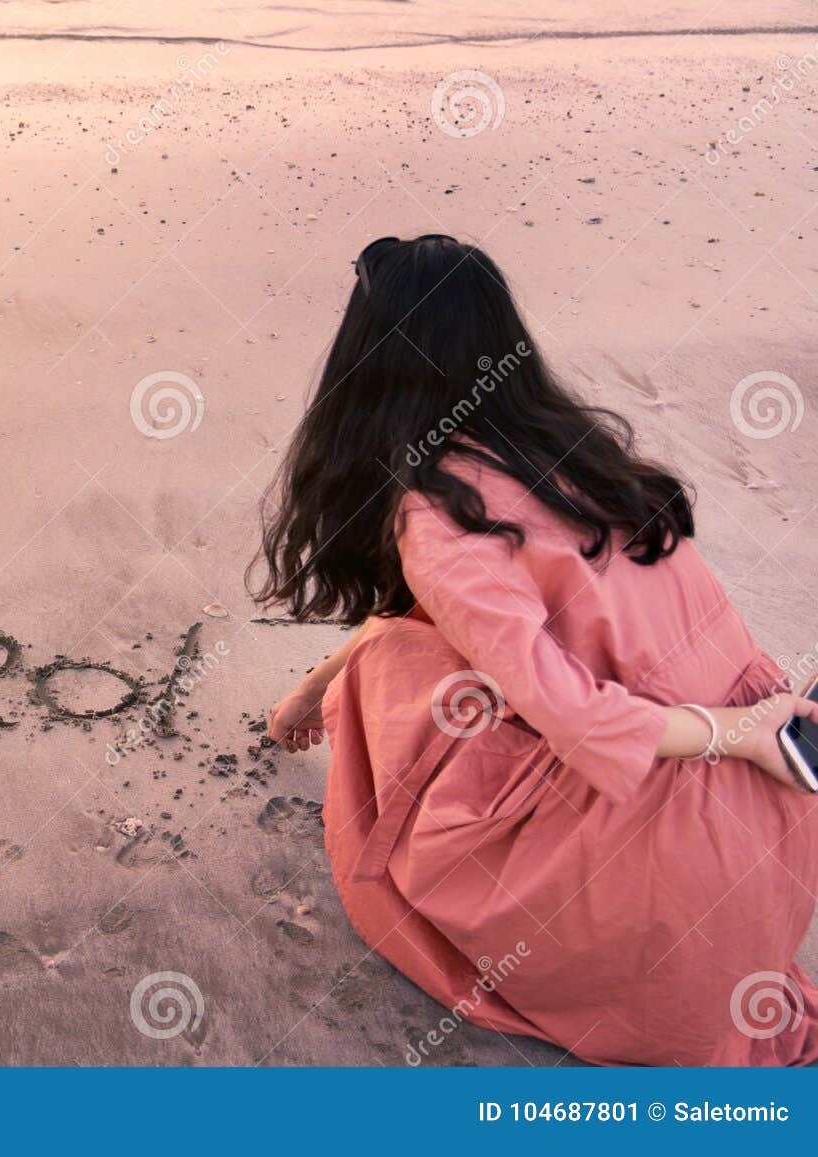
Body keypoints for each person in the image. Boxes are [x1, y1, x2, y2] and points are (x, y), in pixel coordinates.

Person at [253, 233, 818, 1066]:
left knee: (391, 668)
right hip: (773, 843)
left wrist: (746, 734)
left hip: (660, 881)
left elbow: (578, 717)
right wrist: (309, 691)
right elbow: (442, 614)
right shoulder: (569, 448)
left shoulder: (439, 516)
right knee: (431, 647)